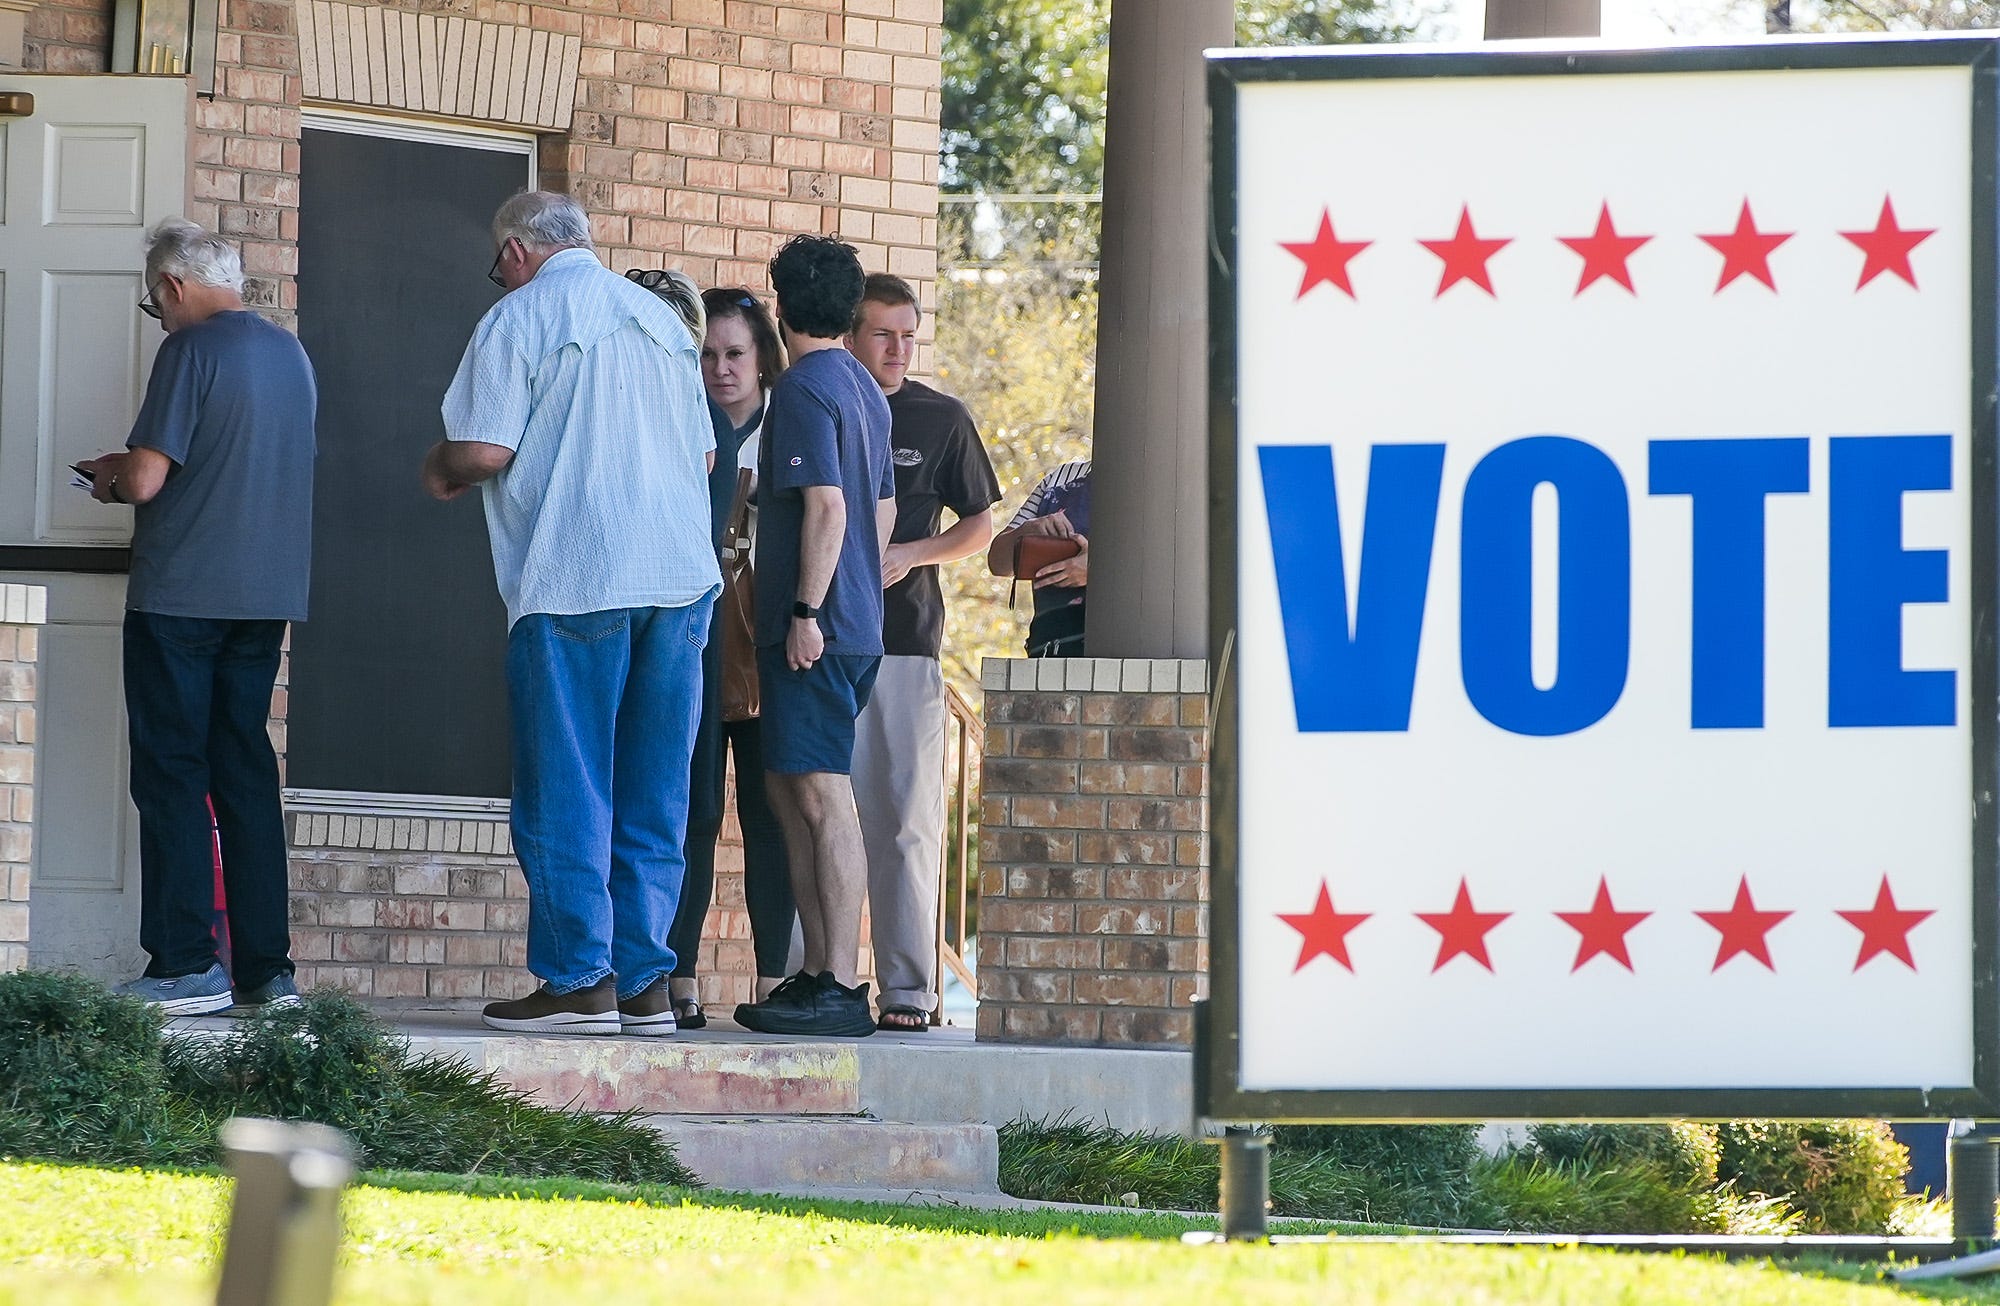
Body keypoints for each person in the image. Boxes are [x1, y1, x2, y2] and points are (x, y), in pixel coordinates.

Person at [425, 191, 719, 1036]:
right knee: (653, 790)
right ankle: (644, 983)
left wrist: (440, 470)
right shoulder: (662, 321)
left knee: (569, 786)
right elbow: (703, 454)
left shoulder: (519, 316)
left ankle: (577, 979)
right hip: (679, 581)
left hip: (577, 575)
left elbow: (485, 450)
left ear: (516, 250)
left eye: (497, 261)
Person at [79, 218, 316, 1015]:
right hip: (266, 599)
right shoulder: (291, 354)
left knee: (174, 774)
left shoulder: (188, 351)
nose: (160, 316)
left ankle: (184, 963)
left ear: (175, 287)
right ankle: (266, 972)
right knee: (245, 773)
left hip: (181, 597)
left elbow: (148, 478)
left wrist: (108, 476)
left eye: (156, 302)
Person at [732, 235, 894, 1038]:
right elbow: (882, 512)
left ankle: (840, 981)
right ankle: (813, 973)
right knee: (790, 790)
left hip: (818, 629)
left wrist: (803, 612)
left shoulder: (801, 389)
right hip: (856, 623)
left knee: (823, 795)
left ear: (780, 303)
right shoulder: (865, 388)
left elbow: (829, 507)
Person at [845, 274, 1000, 1031]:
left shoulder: (942, 418)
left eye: (908, 333)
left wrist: (913, 552)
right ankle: (827, 983)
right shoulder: (818, 402)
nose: (899, 348)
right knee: (825, 818)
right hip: (818, 645)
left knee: (906, 821)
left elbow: (982, 525)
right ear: (851, 334)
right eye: (883, 333)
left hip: (905, 645)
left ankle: (908, 991)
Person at [657, 285, 802, 1028]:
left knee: (773, 818)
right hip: (698, 642)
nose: (720, 368)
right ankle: (677, 979)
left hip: (771, 644)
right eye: (707, 354)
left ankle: (777, 981)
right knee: (692, 811)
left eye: (735, 353)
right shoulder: (679, 425)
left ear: (761, 356)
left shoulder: (788, 430)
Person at [989, 459, 1091, 657]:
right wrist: (1029, 530)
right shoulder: (1060, 479)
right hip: (1051, 648)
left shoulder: (1166, 482)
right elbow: (998, 563)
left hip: (1133, 655)